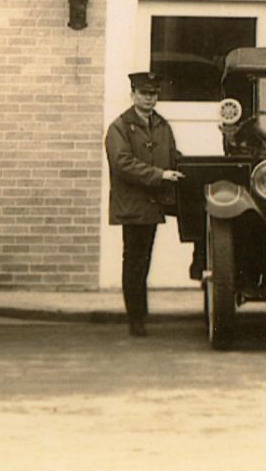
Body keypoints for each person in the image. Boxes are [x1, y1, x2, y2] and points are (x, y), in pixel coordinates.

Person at [105, 70, 183, 337]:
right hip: (133, 204)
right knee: (134, 261)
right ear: (133, 95)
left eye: (153, 95)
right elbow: (122, 163)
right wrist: (159, 175)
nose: (149, 99)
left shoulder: (162, 125)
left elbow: (173, 156)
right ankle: (135, 318)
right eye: (144, 94)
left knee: (144, 259)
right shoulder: (119, 127)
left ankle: (140, 314)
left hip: (152, 204)